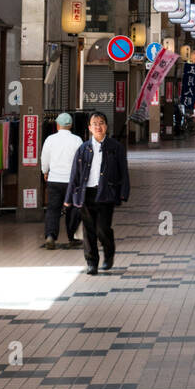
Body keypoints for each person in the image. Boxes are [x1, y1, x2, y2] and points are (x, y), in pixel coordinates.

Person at [65, 112, 130, 275]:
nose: (98, 126)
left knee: (102, 228)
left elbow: (124, 171)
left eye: (101, 123)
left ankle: (108, 255)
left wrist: (123, 192)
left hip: (106, 193)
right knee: (88, 230)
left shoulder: (116, 147)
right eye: (95, 123)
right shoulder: (83, 148)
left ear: (106, 126)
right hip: (86, 194)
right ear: (89, 128)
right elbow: (75, 175)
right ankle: (92, 262)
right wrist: (68, 198)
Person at [40, 112, 83, 249]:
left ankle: (50, 236)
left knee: (53, 209)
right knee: (71, 209)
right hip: (72, 181)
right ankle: (72, 238)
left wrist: (45, 171)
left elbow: (44, 158)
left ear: (57, 124)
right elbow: (81, 161)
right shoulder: (77, 140)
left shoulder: (50, 139)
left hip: (54, 179)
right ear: (70, 125)